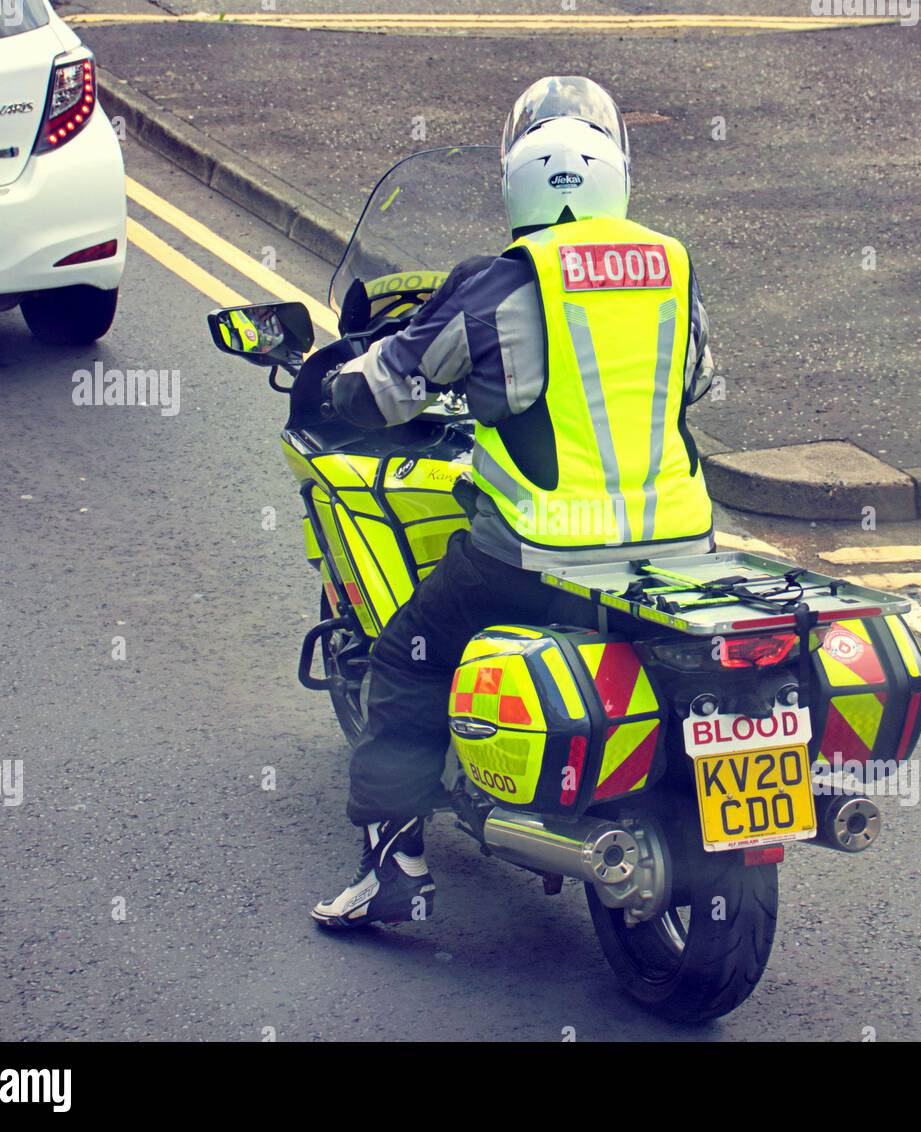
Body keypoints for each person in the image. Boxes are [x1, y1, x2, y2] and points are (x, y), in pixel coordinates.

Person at [310, 76, 717, 929]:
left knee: (405, 657)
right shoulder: (673, 270)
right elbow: (698, 382)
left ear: (516, 182)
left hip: (535, 555)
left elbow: (391, 387)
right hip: (673, 551)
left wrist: (339, 390)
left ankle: (393, 865)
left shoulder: (501, 283)